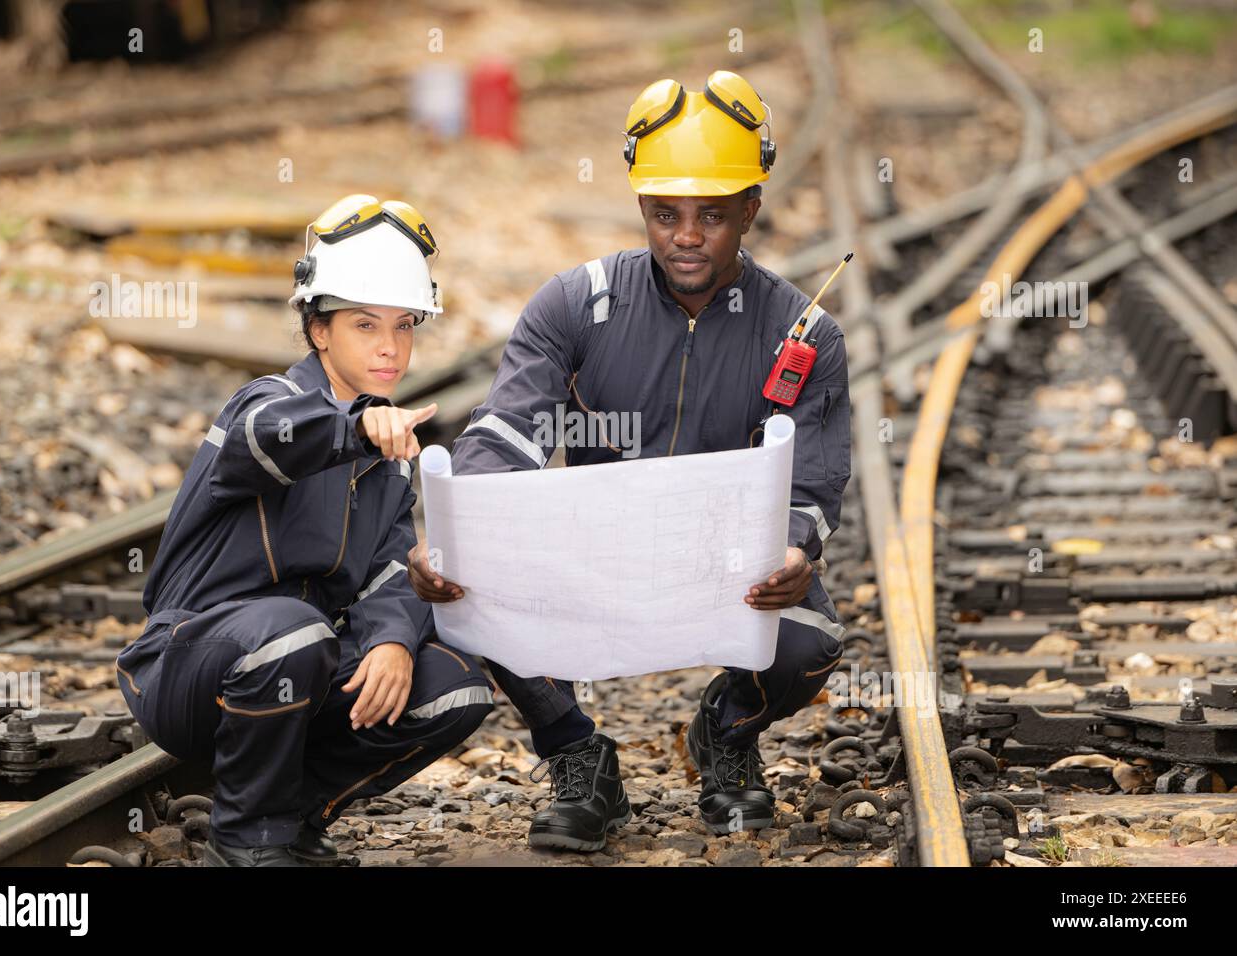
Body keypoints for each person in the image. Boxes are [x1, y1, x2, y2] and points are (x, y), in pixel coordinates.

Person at [407, 71, 851, 851]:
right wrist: (456, 529)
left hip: (727, 568)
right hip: (595, 559)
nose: (686, 235)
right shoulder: (575, 306)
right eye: (664, 213)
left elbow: (810, 481)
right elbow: (506, 435)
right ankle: (580, 756)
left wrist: (793, 548)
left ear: (750, 208)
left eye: (711, 215)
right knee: (465, 585)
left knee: (810, 637)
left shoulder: (802, 334)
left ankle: (725, 736)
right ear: (640, 207)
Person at [117, 195, 494, 866]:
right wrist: (354, 428)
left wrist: (393, 644)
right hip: (184, 667)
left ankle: (293, 818)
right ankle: (245, 844)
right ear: (318, 330)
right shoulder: (265, 405)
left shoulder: (386, 464)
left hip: (298, 663)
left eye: (405, 326)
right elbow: (272, 438)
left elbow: (389, 571)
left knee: (456, 684)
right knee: (294, 630)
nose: (390, 346)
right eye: (363, 325)